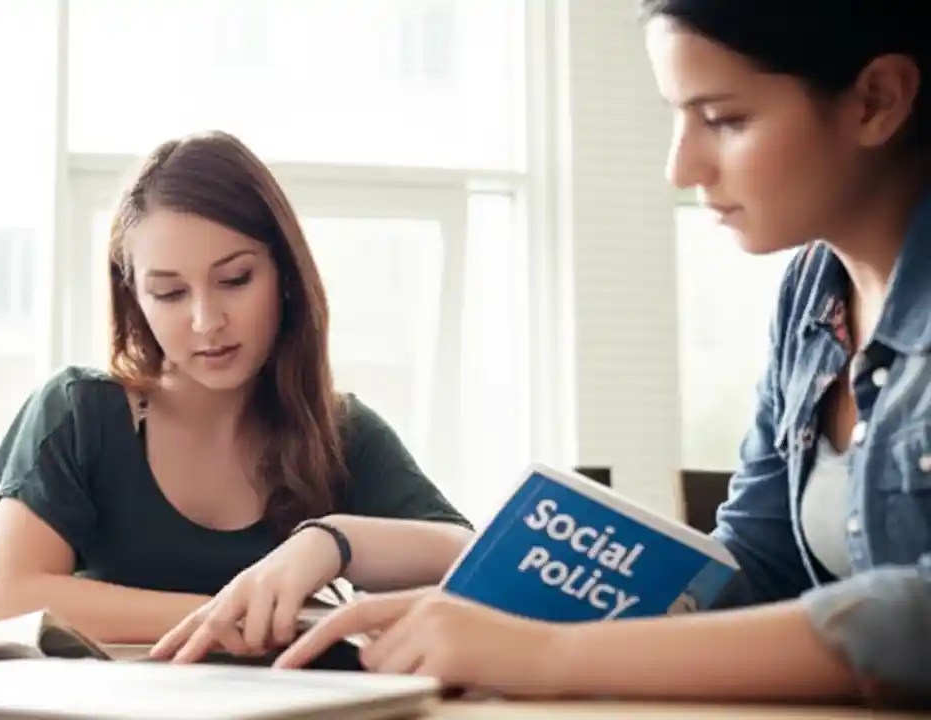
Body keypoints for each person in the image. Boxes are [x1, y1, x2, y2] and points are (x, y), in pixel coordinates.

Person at [277, 0, 931, 705]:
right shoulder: (811, 294)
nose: (680, 167)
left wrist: (548, 653)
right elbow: (753, 571)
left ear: (877, 100)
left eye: (724, 119)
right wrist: (496, 613)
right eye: (677, 117)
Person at [0, 131, 474, 659]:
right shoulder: (79, 412)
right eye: (170, 293)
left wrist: (332, 541)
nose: (206, 321)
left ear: (285, 274)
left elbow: (476, 562)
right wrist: (237, 611)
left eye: (235, 279)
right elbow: (13, 602)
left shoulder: (340, 432)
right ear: (135, 297)